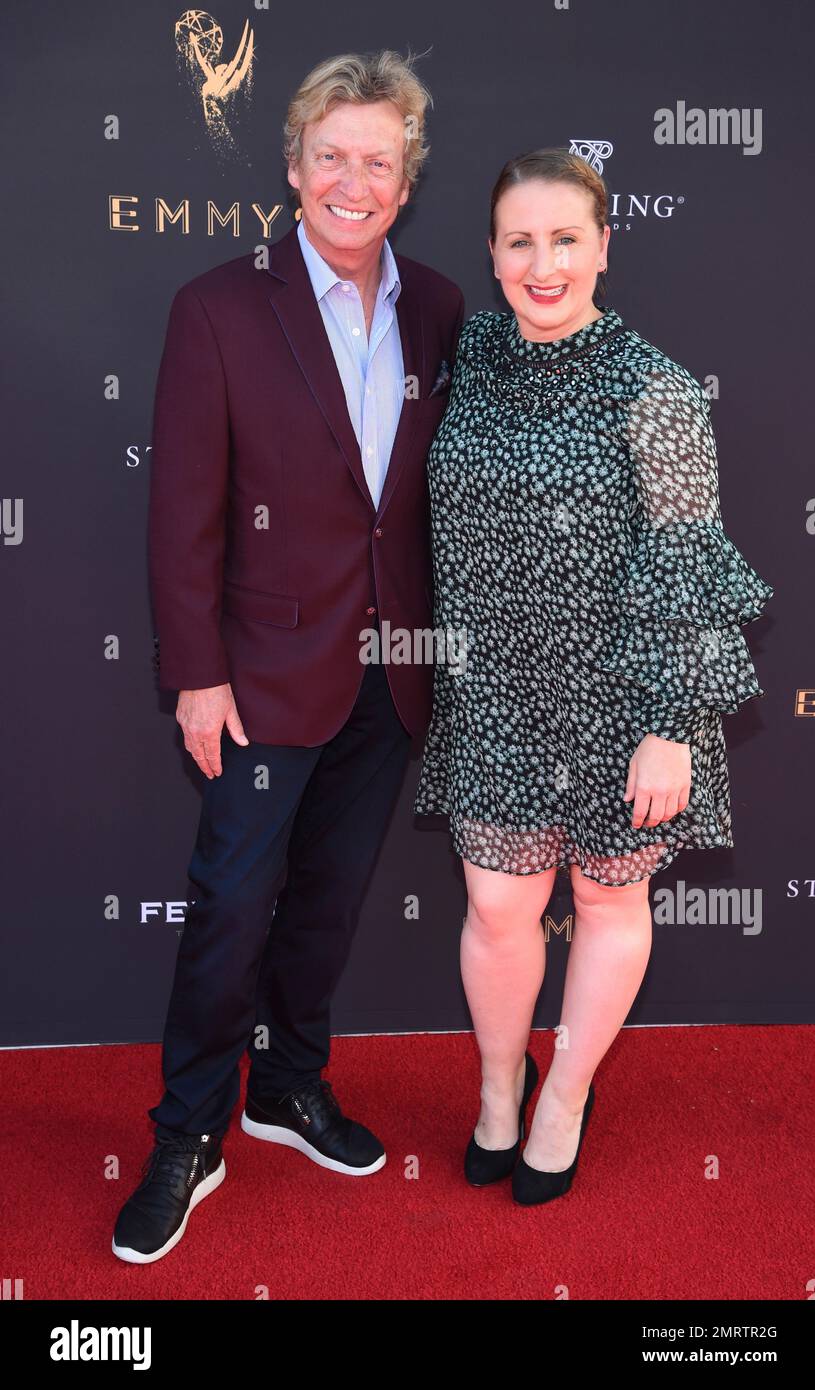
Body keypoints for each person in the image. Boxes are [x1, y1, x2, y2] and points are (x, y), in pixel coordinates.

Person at [113, 50, 464, 1263]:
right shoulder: (217, 306)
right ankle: (187, 1132)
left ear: (406, 178)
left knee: (325, 905)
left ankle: (286, 1087)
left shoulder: (438, 307)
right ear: (292, 168)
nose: (352, 181)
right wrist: (196, 674)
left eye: (378, 159)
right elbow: (183, 518)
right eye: (331, 157)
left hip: (393, 668)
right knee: (231, 908)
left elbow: (424, 501)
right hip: (260, 671)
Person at [414, 147, 773, 1206]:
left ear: (604, 247)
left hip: (626, 698)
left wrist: (669, 721)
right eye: (519, 240)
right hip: (493, 693)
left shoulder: (654, 389)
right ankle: (496, 1085)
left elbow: (684, 554)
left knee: (606, 903)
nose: (542, 262)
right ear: (489, 253)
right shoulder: (469, 356)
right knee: (493, 908)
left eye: (565, 238)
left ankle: (563, 1093)